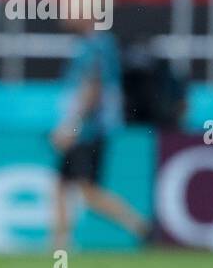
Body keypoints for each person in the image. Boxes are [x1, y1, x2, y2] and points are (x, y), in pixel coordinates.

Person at [50, 16, 151, 250]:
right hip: (86, 129)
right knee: (61, 185)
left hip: (86, 131)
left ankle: (141, 227)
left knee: (86, 190)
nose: (65, 16)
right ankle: (60, 244)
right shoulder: (92, 45)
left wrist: (70, 126)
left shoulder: (96, 46)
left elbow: (92, 88)